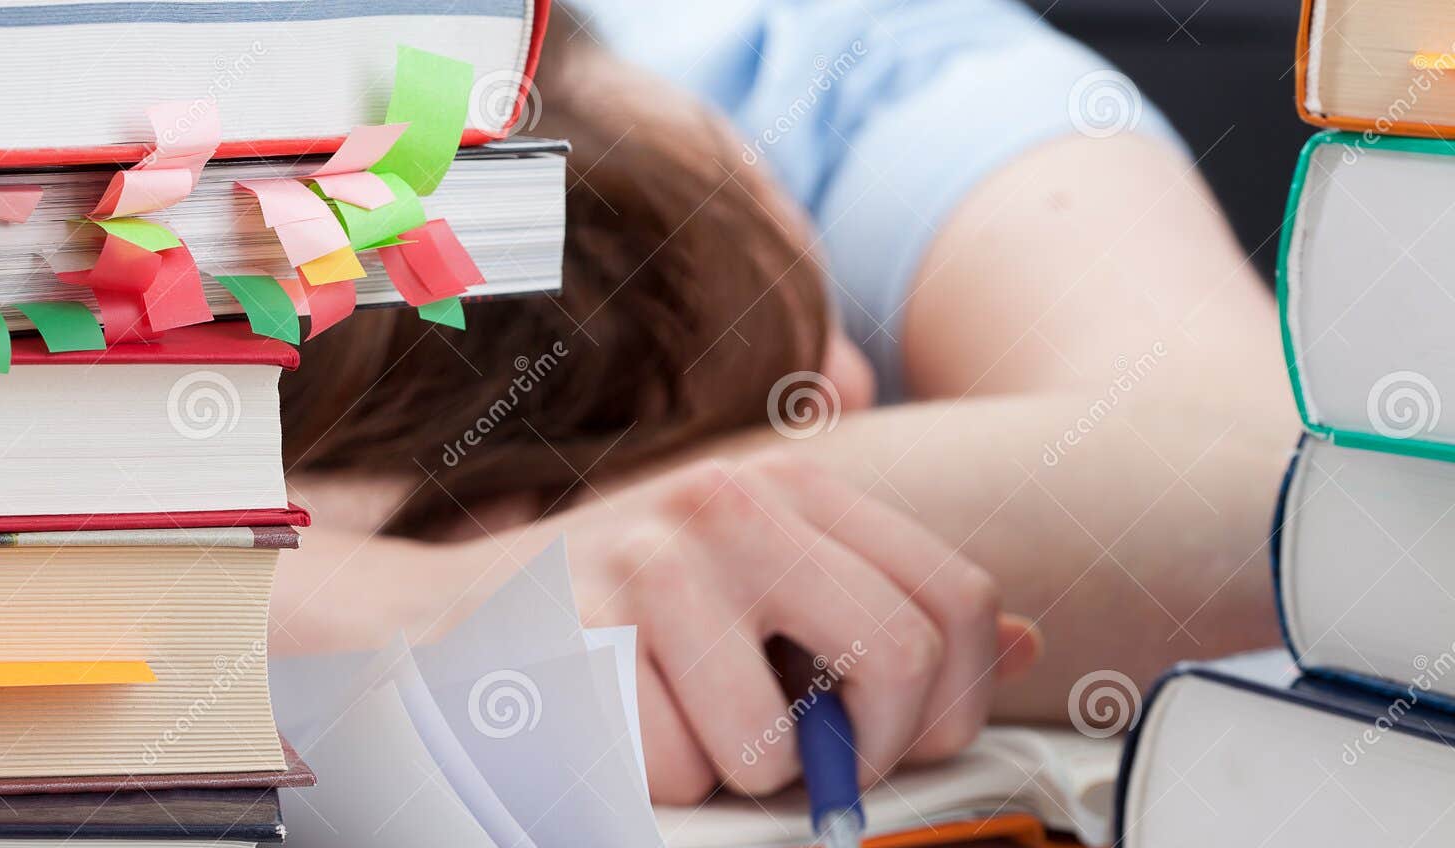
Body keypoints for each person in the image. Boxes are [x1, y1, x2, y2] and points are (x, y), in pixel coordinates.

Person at [274, 0, 1297, 805]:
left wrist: (311, 567)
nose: (842, 398)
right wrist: (389, 594)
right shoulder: (175, 211)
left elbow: (1272, 490)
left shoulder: (844, 61)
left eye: (778, 415)